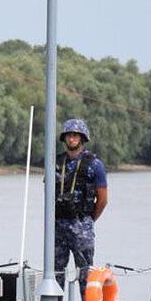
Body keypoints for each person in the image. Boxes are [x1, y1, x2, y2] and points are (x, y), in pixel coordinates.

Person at [52, 118, 108, 284]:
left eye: (76, 135)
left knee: (86, 276)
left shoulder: (94, 165)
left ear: (82, 138)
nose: (72, 138)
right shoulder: (55, 163)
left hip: (82, 224)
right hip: (58, 226)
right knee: (55, 274)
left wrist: (88, 220)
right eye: (69, 135)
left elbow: (103, 199)